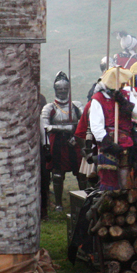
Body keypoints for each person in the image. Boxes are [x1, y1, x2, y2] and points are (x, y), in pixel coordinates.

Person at [40, 72, 85, 209]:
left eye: (65, 89)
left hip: (74, 141)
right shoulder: (49, 107)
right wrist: (65, 128)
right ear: (55, 90)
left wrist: (75, 131)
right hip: (58, 143)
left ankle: (82, 200)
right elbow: (45, 126)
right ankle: (59, 204)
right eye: (60, 89)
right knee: (58, 175)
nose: (63, 91)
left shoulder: (76, 105)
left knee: (81, 174)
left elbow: (84, 122)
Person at [87, 67, 137, 190]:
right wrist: (109, 144)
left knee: (124, 182)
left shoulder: (126, 95)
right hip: (108, 142)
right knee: (109, 183)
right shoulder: (98, 98)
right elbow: (96, 126)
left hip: (126, 142)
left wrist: (123, 102)